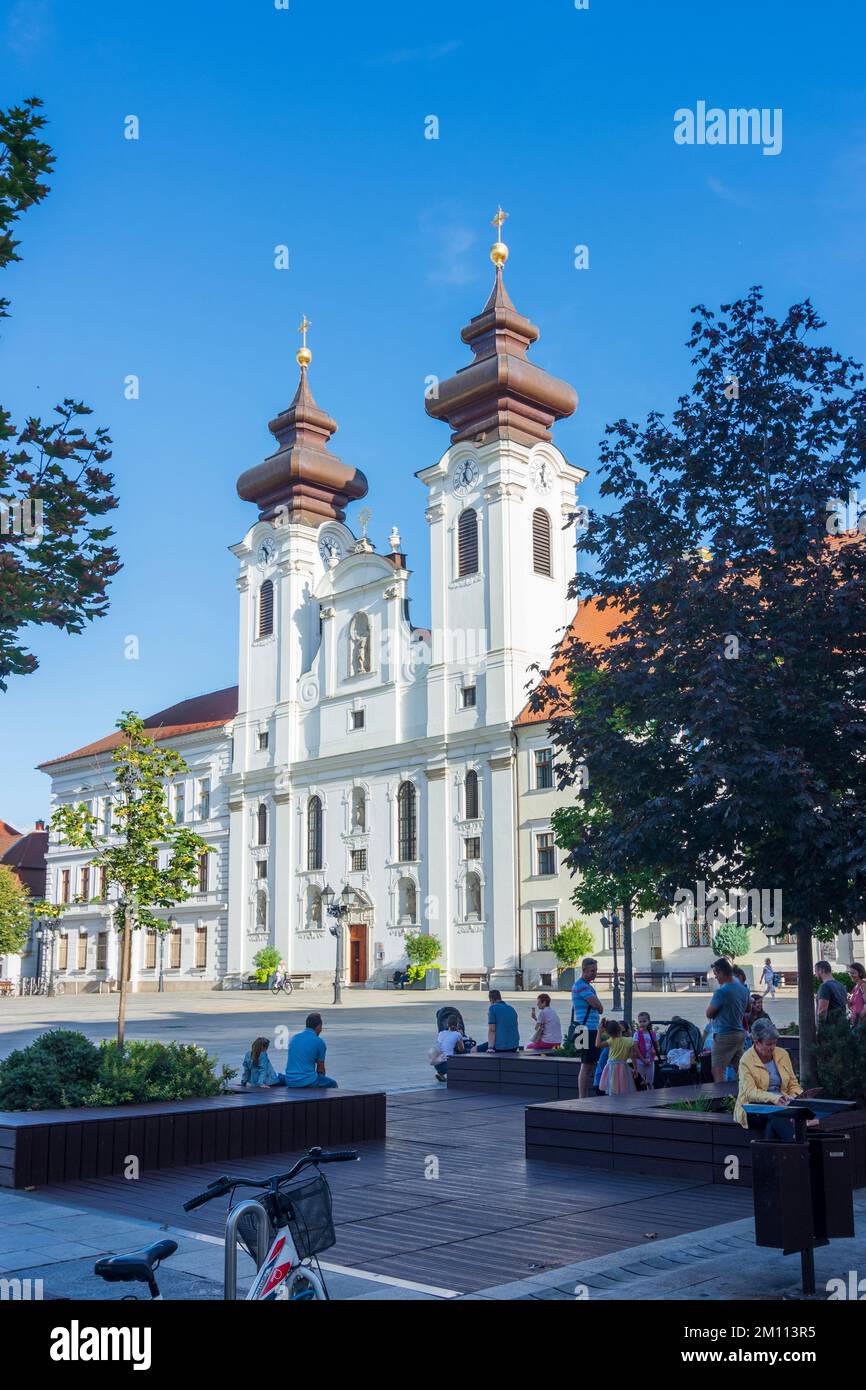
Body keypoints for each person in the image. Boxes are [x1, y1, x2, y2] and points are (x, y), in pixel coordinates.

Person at [734, 1018, 803, 1129]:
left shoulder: (783, 1054)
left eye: (775, 1043)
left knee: (778, 1119)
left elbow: (792, 1083)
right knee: (779, 1116)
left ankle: (778, 1145)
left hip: (782, 1104)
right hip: (753, 1107)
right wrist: (774, 1098)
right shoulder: (746, 1060)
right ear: (756, 1042)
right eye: (769, 1044)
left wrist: (796, 1096)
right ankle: (794, 1143)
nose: (773, 1047)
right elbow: (750, 1093)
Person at [706, 957, 750, 1083]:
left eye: (716, 974)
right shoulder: (744, 989)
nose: (716, 978)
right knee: (740, 1069)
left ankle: (722, 1099)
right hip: (739, 1034)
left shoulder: (722, 992)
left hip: (724, 1035)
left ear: (721, 972)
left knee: (718, 1070)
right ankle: (747, 1092)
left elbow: (709, 1013)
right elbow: (748, 1009)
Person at [572, 957, 604, 1099]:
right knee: (586, 1065)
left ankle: (583, 1097)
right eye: (592, 971)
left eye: (596, 970)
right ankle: (582, 1098)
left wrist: (598, 1005)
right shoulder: (581, 986)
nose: (594, 973)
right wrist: (598, 1005)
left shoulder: (587, 986)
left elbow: (599, 1007)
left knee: (589, 1064)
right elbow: (597, 1005)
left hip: (588, 1029)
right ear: (584, 970)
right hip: (586, 1030)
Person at [283, 1012, 338, 1088]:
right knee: (333, 1084)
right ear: (318, 1026)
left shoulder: (294, 1038)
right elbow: (320, 1069)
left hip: (290, 1080)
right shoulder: (319, 1042)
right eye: (321, 1027)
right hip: (307, 1081)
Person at [598, 1020, 637, 1096]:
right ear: (620, 1029)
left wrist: (599, 1031)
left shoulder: (611, 1041)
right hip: (623, 1066)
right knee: (624, 1087)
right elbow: (633, 1056)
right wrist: (635, 1068)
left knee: (612, 1087)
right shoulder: (629, 1040)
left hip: (611, 1066)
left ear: (608, 1033)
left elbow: (598, 1044)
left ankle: (613, 1104)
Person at [476, 989, 520, 1053]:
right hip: (514, 1046)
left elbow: (492, 1030)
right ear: (500, 997)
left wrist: (490, 1047)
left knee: (473, 1050)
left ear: (490, 1000)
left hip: (501, 1046)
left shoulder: (493, 1008)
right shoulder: (511, 1008)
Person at [432, 1015, 465, 1082]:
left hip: (436, 1062)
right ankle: (455, 1074)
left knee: (447, 1052)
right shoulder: (457, 1034)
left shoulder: (441, 1033)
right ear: (457, 1025)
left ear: (447, 1024)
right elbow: (461, 1049)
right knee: (458, 1056)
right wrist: (461, 1035)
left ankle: (440, 1073)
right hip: (447, 1064)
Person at [815, 960, 848, 1024]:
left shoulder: (825, 986)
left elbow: (822, 1010)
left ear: (821, 970)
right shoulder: (841, 986)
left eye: (816, 971)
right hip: (842, 1026)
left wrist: (820, 1027)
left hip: (830, 1028)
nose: (816, 975)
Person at [633, 1012, 659, 1088]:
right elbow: (636, 1048)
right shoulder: (637, 1034)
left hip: (650, 1060)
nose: (642, 1024)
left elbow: (657, 1046)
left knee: (650, 1081)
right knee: (641, 1081)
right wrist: (643, 1059)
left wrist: (655, 1050)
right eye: (640, 1022)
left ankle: (650, 1093)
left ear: (649, 1021)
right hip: (640, 1060)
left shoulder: (653, 1034)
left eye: (644, 1021)